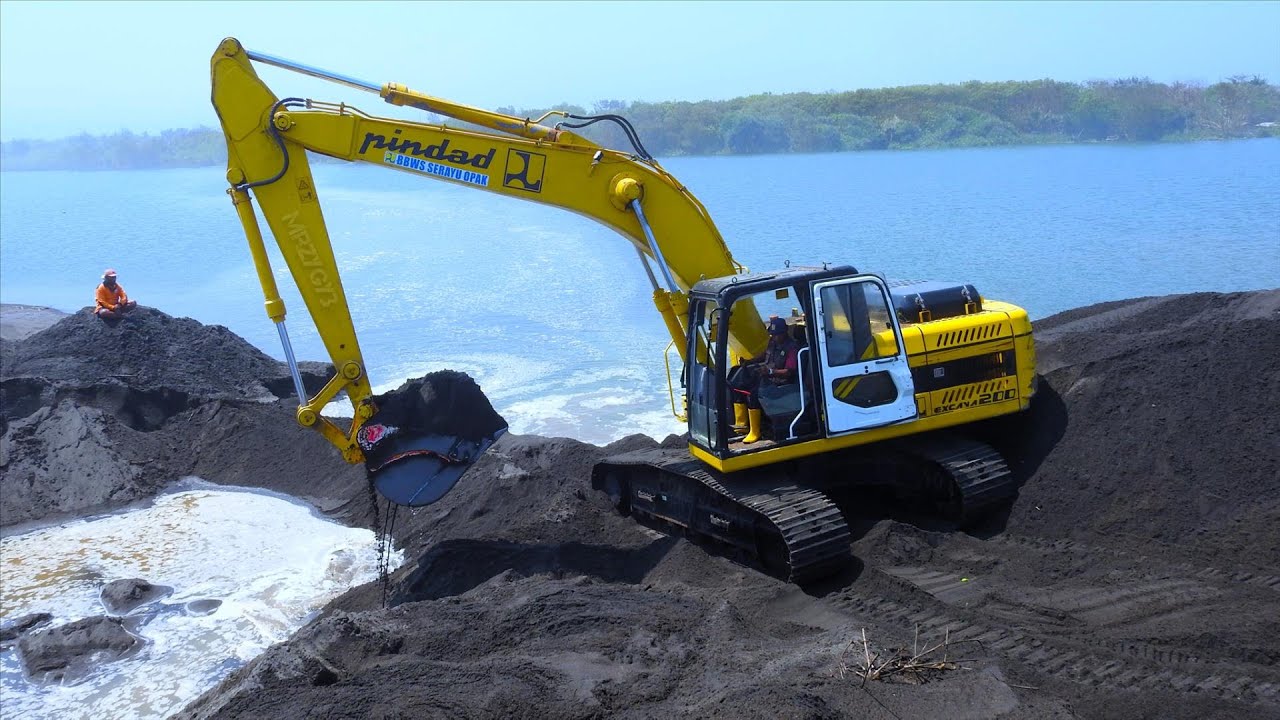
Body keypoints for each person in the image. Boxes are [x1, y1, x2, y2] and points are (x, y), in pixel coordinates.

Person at [728, 315, 799, 443]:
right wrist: (750, 361)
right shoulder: (772, 343)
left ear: (785, 332)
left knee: (754, 393)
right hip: (767, 379)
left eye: (777, 335)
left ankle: (755, 431)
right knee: (738, 384)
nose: (774, 337)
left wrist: (770, 372)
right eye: (772, 334)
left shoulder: (792, 349)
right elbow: (764, 356)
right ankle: (741, 425)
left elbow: (789, 372)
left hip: (782, 385)